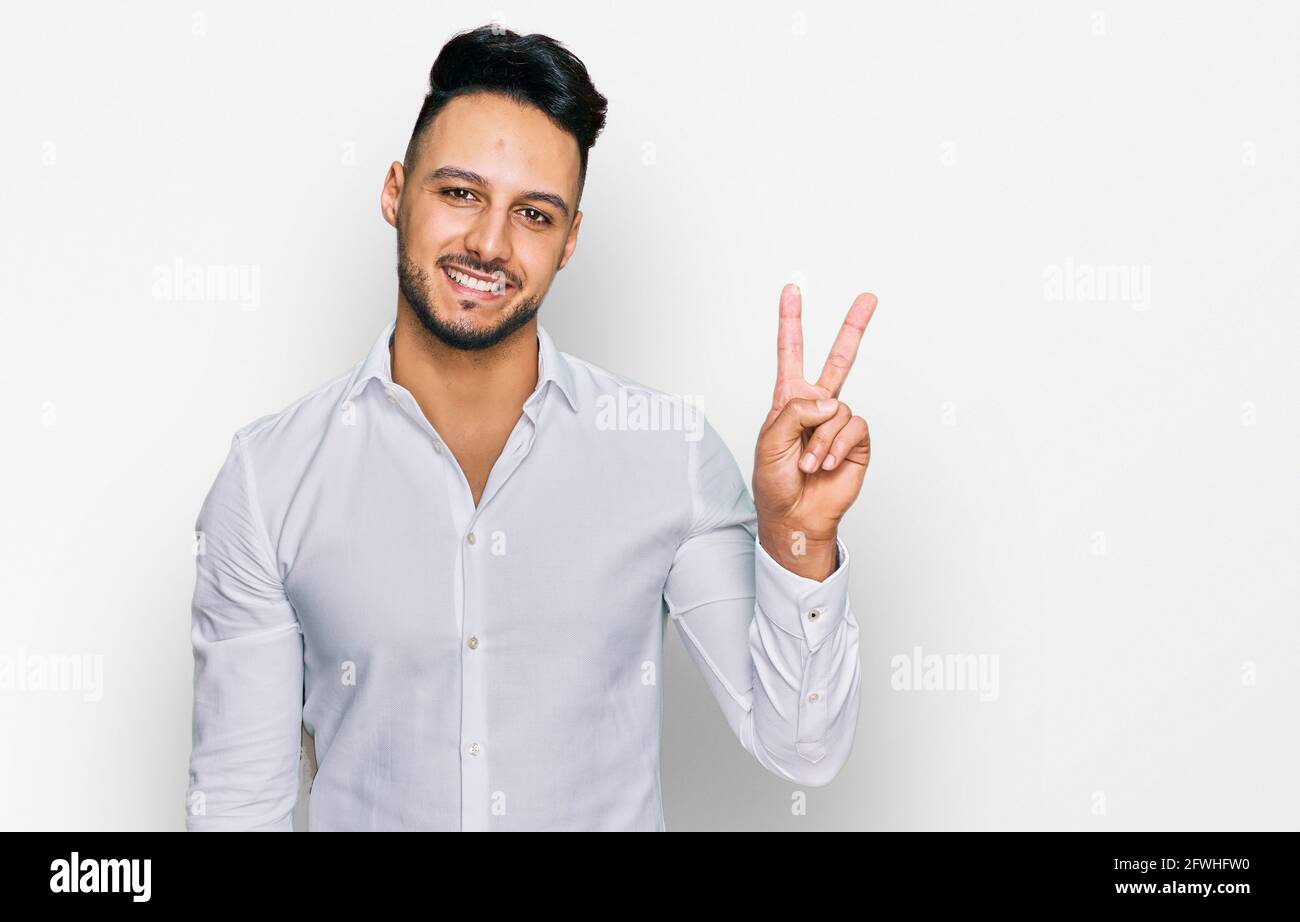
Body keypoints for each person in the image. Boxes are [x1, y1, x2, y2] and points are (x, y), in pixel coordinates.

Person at [185, 23, 877, 831]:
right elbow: (237, 807)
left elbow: (801, 748)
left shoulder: (667, 453)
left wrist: (798, 539)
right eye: (459, 193)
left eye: (534, 214)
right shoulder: (271, 480)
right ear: (393, 192)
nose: (489, 242)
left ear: (570, 241)